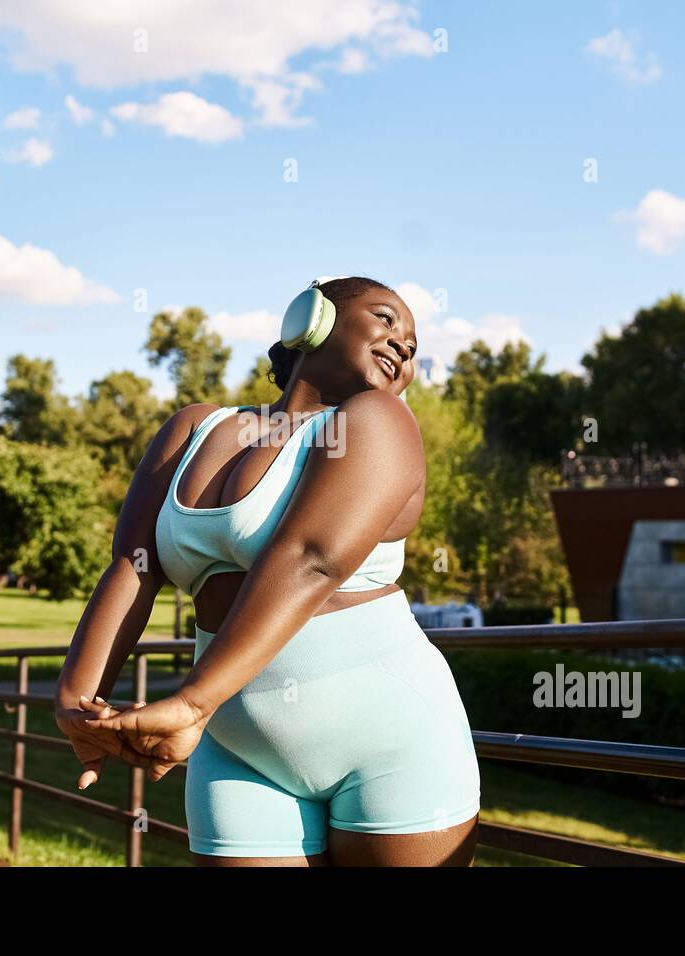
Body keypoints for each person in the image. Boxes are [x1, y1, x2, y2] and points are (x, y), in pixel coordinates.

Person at [53, 276, 481, 867]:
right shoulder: (193, 430)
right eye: (386, 319)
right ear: (314, 317)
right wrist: (78, 701)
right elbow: (133, 564)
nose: (403, 345)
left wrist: (192, 704)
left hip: (391, 738)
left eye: (412, 343)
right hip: (238, 750)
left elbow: (311, 560)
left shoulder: (382, 421)